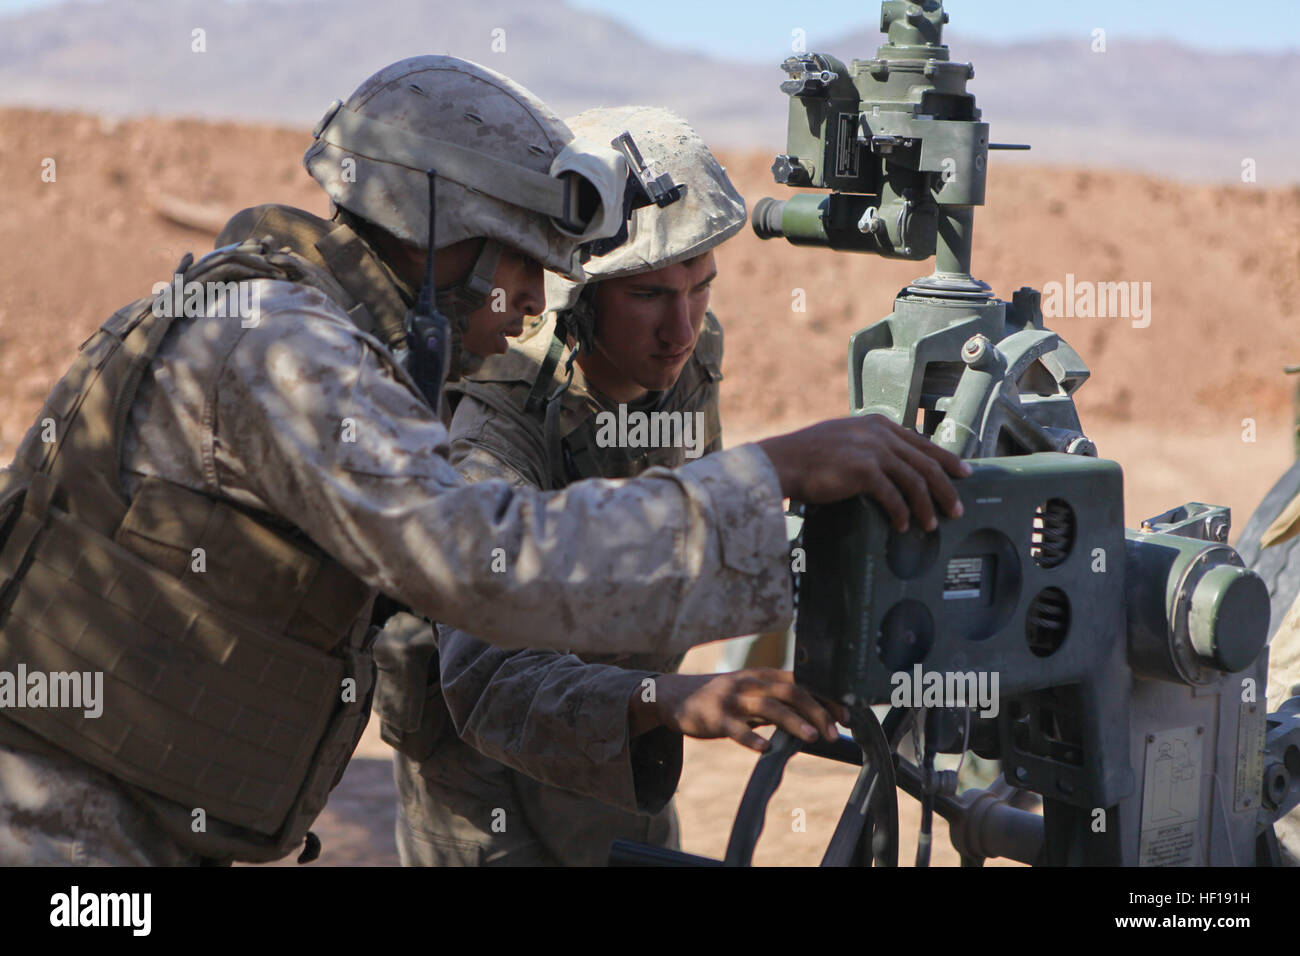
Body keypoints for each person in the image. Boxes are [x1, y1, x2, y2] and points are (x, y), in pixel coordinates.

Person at [0, 57, 967, 866]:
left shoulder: (316, 336)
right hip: (67, 836)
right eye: (519, 269)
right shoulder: (284, 349)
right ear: (440, 239)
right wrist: (775, 474)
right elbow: (481, 563)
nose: (536, 305)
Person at [379, 106, 842, 866]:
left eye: (701, 287)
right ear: (576, 299)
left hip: (625, 726)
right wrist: (667, 701)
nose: (683, 328)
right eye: (651, 296)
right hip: (474, 755)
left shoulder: (688, 355)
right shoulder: (495, 415)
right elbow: (488, 679)